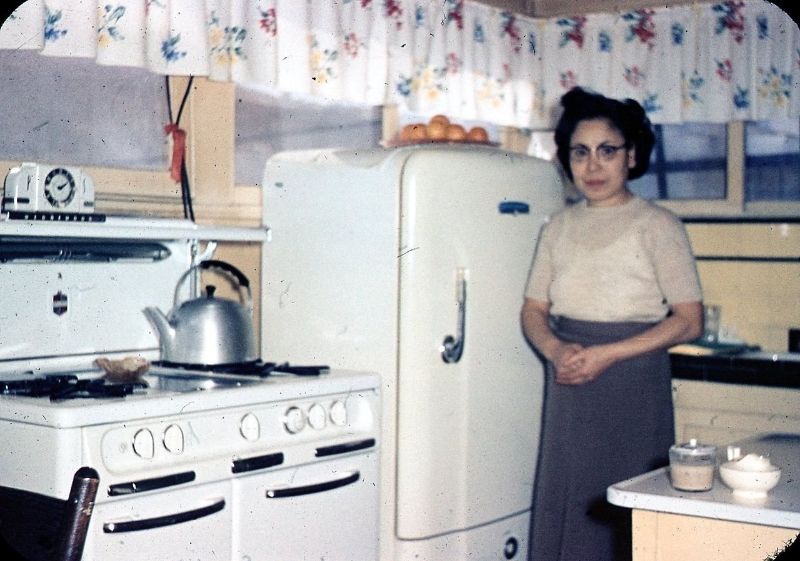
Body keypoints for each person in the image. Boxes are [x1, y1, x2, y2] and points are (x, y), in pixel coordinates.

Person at [521, 86, 704, 561]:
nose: (593, 166)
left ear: (632, 156)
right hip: (570, 377)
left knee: (628, 509)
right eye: (580, 153)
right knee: (569, 501)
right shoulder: (557, 227)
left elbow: (689, 322)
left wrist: (606, 354)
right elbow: (533, 310)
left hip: (631, 381)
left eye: (607, 151)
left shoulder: (659, 225)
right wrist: (556, 350)